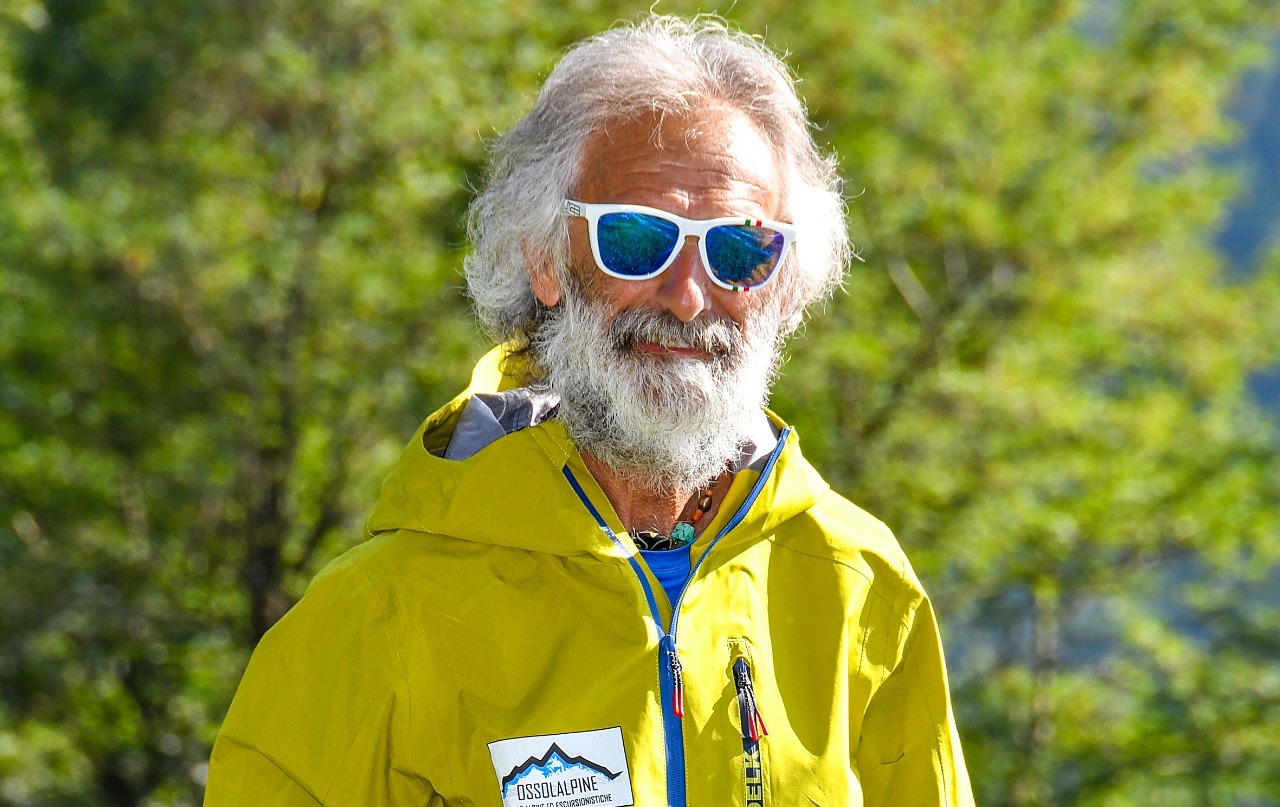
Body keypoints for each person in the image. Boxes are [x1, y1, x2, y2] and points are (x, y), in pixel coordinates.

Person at [205, 15, 974, 807]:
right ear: (544, 259)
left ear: (782, 289)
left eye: (739, 250)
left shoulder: (860, 586)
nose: (687, 295)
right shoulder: (379, 613)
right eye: (636, 239)